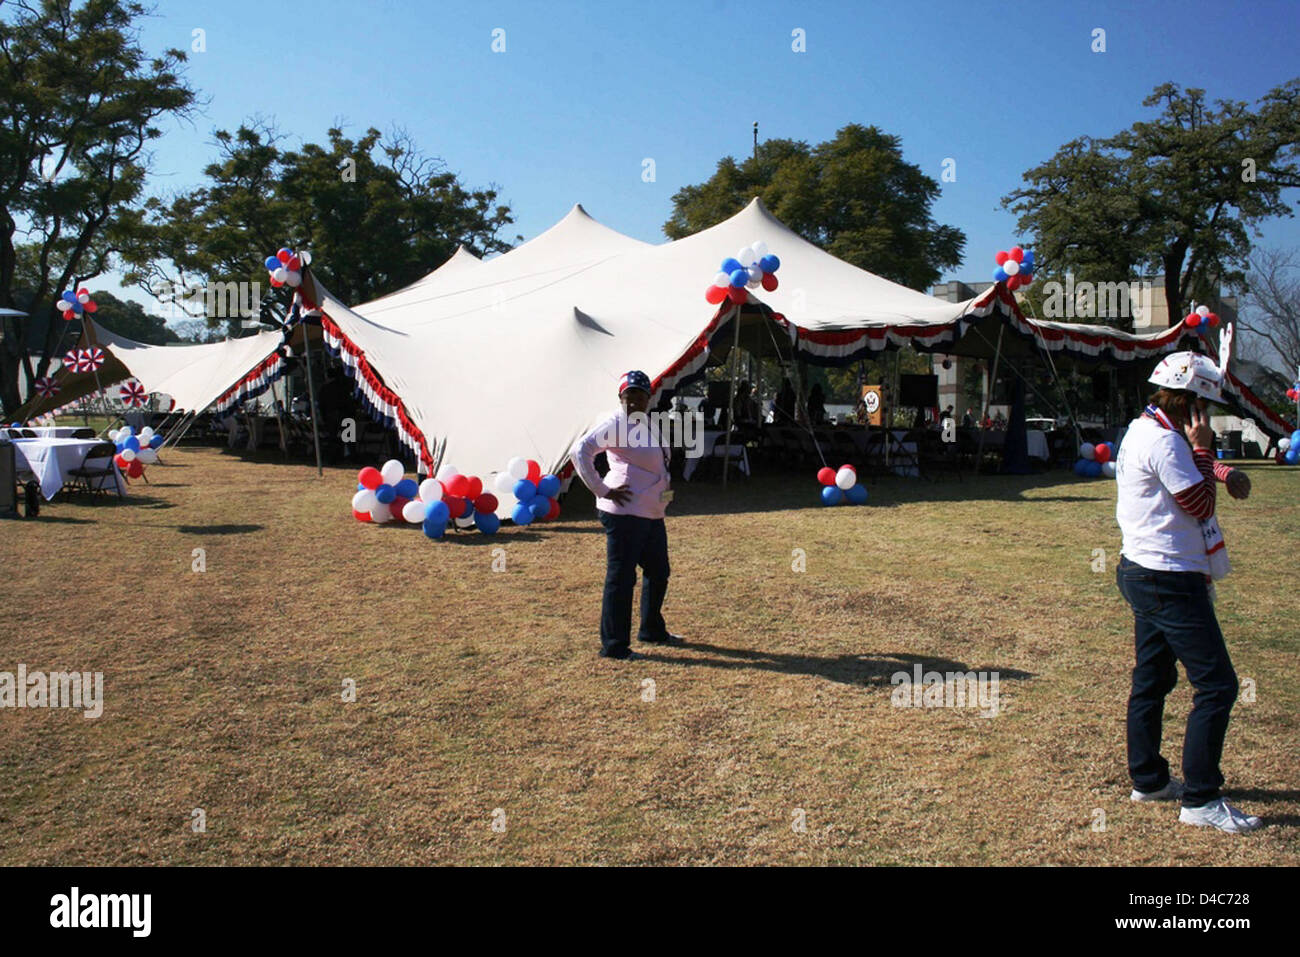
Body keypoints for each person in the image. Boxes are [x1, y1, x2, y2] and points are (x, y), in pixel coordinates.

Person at [1114, 327, 1258, 833]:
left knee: (1152, 679)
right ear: (1190, 405)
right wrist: (1205, 456)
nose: (1208, 418)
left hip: (1142, 570)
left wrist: (1218, 468)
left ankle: (1148, 779)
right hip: (1171, 579)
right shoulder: (1173, 443)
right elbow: (1196, 503)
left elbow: (1183, 467)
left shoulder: (1144, 430)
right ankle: (1200, 799)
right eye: (1204, 408)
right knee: (1217, 685)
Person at [571, 370, 684, 661]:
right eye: (629, 394)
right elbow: (580, 451)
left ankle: (652, 629)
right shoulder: (615, 423)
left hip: (651, 511)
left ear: (649, 397)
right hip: (625, 512)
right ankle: (614, 646)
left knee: (659, 571)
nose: (634, 399)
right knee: (622, 578)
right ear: (620, 397)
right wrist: (602, 489)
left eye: (640, 393)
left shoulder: (648, 423)